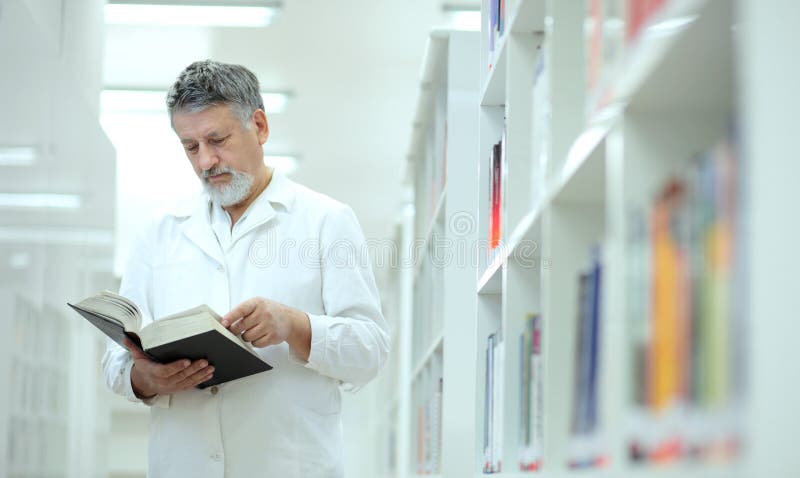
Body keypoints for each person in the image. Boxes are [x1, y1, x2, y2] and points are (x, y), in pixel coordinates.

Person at [102, 59, 390, 478]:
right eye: (190, 147)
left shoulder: (326, 220)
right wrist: (146, 379)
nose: (205, 161)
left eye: (217, 139)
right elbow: (115, 362)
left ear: (259, 126)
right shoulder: (158, 233)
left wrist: (295, 326)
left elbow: (370, 351)